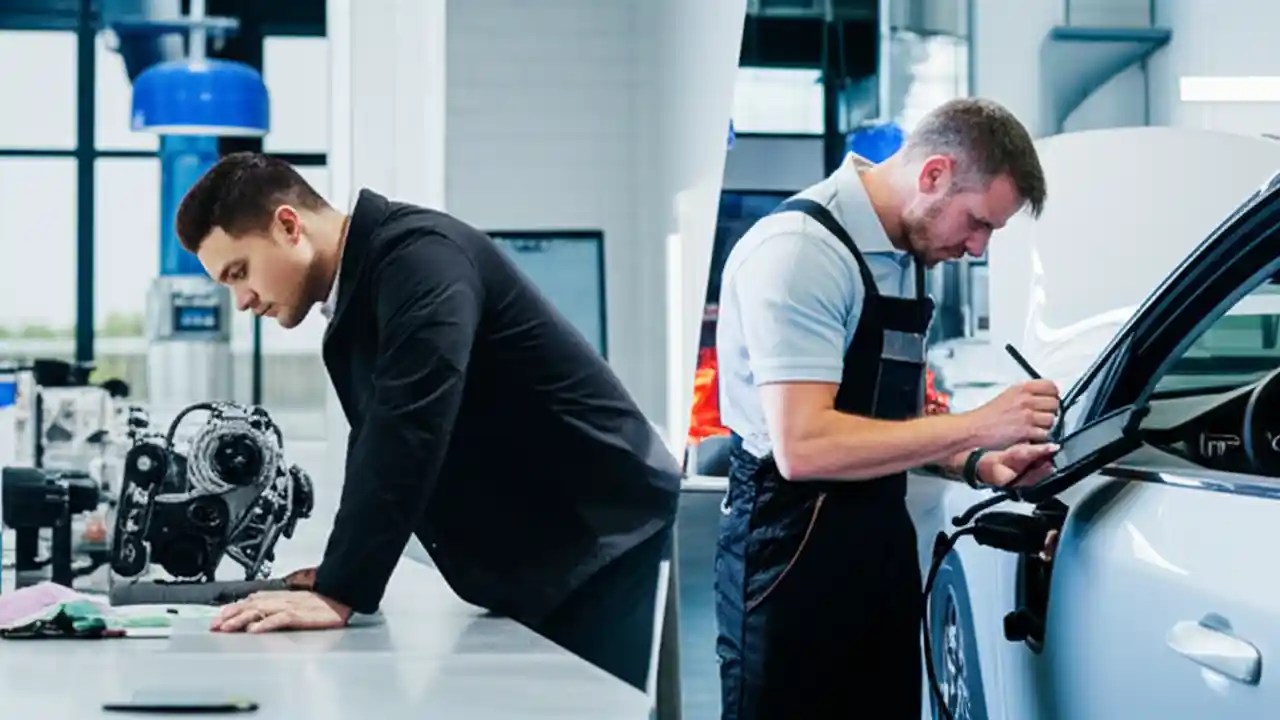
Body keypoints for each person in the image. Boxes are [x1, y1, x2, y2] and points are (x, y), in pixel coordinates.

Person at [171, 152, 682, 694]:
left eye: (239, 272)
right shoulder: (366, 292)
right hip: (553, 565)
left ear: (288, 225)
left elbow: (408, 422)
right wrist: (339, 569)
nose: (242, 300)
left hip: (613, 548)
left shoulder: (422, 259)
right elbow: (374, 442)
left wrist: (342, 589)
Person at [712, 97, 1060, 719]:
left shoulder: (909, 257)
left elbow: (885, 426)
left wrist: (979, 461)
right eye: (977, 223)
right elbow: (805, 446)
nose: (977, 248)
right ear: (934, 176)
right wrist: (980, 421)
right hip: (785, 550)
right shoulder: (802, 254)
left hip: (875, 540)